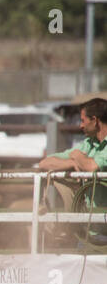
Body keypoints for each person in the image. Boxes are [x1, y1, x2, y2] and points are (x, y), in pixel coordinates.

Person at [37, 97, 107, 243]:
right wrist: (70, 162)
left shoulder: (86, 148)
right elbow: (45, 163)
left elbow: (92, 167)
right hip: (90, 229)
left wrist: (76, 156)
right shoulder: (89, 144)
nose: (81, 125)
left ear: (95, 120)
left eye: (83, 120)